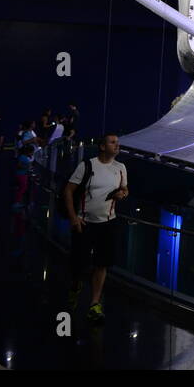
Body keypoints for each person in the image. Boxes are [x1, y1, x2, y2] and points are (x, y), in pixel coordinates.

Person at [63, 134, 128, 324]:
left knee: (102, 264)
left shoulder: (121, 168)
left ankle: (94, 303)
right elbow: (68, 190)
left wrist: (122, 193)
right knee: (78, 265)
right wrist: (73, 217)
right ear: (102, 146)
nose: (117, 145)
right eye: (112, 142)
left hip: (108, 223)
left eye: (117, 142)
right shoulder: (87, 166)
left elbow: (125, 188)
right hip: (85, 224)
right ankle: (75, 287)